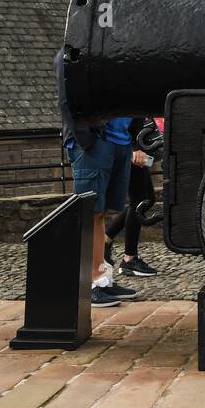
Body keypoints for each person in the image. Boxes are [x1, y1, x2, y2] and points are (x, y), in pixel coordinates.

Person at [55, 49, 140, 306]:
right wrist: (87, 141)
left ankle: (102, 279)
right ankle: (89, 284)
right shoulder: (70, 56)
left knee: (101, 213)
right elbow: (67, 98)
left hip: (118, 142)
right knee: (90, 212)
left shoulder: (113, 52)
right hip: (95, 144)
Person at [104, 117, 161, 278]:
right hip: (129, 145)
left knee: (147, 198)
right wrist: (136, 146)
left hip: (131, 143)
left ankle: (106, 239)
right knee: (140, 200)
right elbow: (129, 111)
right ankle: (129, 258)